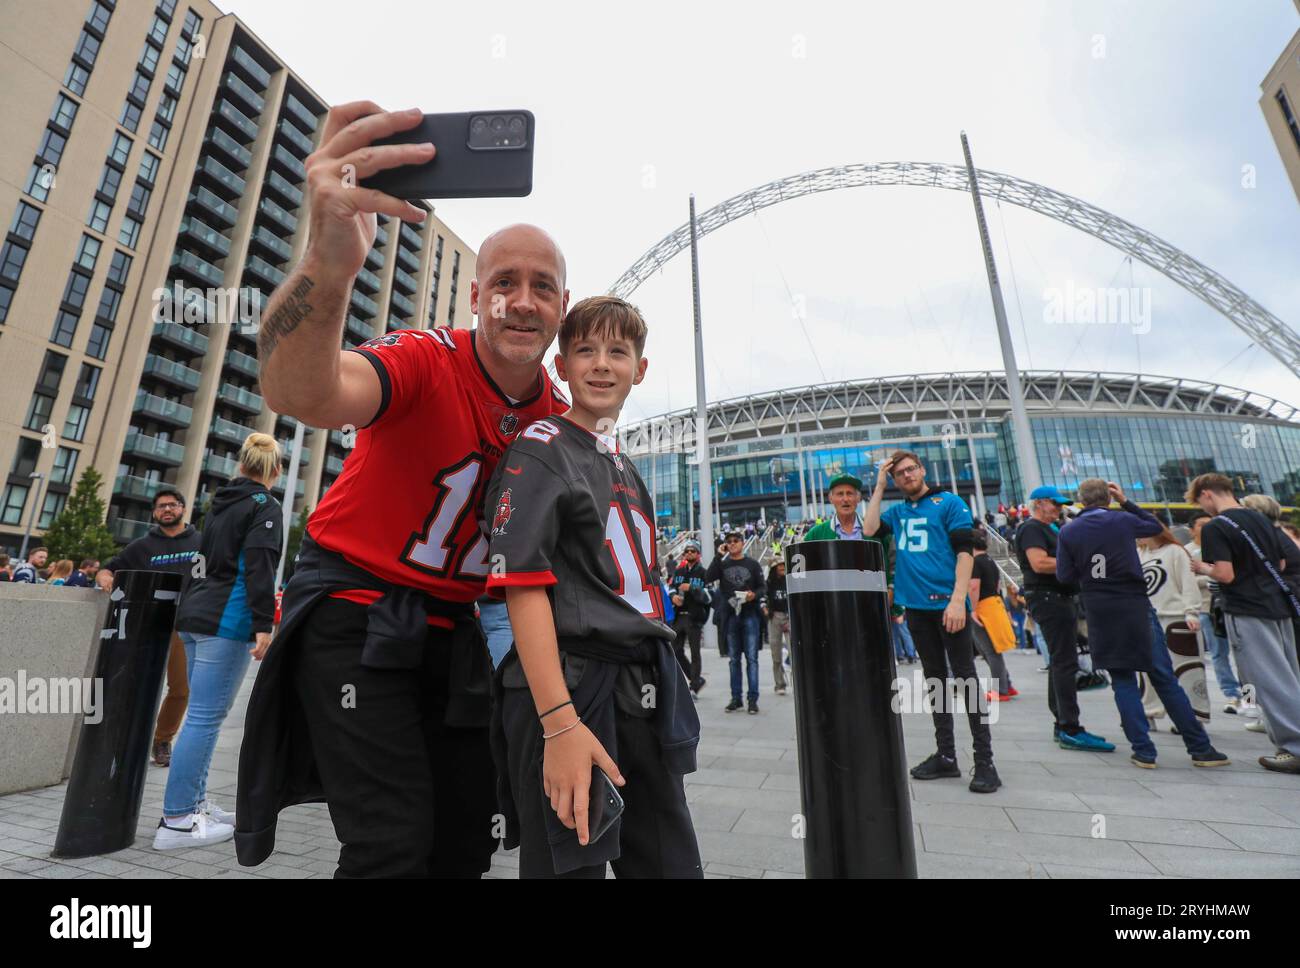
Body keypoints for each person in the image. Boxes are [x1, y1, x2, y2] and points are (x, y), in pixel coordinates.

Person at [236, 102, 573, 877]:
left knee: (466, 839)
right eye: (505, 282)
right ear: (475, 296)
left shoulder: (559, 419)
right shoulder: (424, 358)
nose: (523, 300)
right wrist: (330, 263)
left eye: (543, 288)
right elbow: (300, 391)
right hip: (356, 610)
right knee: (391, 839)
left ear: (561, 307)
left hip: (457, 632)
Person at [484, 295, 702, 877]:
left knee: (668, 861)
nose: (601, 364)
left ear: (641, 368)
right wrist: (558, 721)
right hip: (575, 684)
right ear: (561, 365)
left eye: (617, 351)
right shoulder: (542, 447)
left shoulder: (625, 465)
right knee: (570, 864)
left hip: (638, 682)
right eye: (585, 350)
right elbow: (522, 588)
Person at [154, 434, 284, 849]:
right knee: (205, 718)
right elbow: (260, 566)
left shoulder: (220, 502)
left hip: (196, 615)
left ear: (242, 465)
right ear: (274, 471)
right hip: (228, 617)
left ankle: (194, 804)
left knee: (200, 715)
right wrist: (264, 623)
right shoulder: (265, 506)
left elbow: (204, 559)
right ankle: (177, 820)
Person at [1056, 479, 1228, 769]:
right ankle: (1199, 748)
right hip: (1134, 603)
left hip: (1100, 609)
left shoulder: (1069, 531)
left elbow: (1064, 575)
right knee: (1162, 675)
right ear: (1108, 498)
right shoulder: (1122, 520)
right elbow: (1153, 527)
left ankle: (1144, 751)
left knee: (1123, 680)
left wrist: (1090, 574)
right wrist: (1125, 502)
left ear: (1081, 500)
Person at [864, 451, 1001, 794]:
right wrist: (879, 485)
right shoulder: (898, 511)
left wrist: (958, 600)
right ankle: (947, 755)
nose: (907, 475)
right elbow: (868, 529)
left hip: (947, 605)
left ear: (922, 470)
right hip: (917, 608)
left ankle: (984, 761)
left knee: (966, 679)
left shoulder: (949, 502)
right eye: (899, 473)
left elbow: (965, 553)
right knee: (935, 681)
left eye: (911, 469)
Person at [1188, 474, 1300, 773]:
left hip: (1246, 608)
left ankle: (1294, 747)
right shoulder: (1259, 518)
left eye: (1199, 501)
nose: (1203, 508)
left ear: (1207, 494)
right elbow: (1282, 563)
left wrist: (1202, 567)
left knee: (1268, 679)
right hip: (1278, 605)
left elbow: (1225, 575)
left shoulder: (1216, 527)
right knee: (1289, 674)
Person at [99, 488, 203, 766]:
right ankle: (125, 739)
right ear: (154, 513)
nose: (166, 510)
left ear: (183, 508)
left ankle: (162, 740)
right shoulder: (141, 547)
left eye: (172, 505)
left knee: (181, 688)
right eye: (160, 507)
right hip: (147, 625)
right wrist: (105, 578)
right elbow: (109, 568)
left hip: (185, 624)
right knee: (136, 684)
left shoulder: (201, 542)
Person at [1015, 486, 1114, 751]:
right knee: (1064, 662)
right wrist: (1077, 563)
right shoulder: (1032, 528)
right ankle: (1070, 726)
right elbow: (1038, 563)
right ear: (1039, 503)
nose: (1059, 509)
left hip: (1059, 598)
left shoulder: (1052, 528)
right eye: (1054, 504)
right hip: (1049, 598)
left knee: (1062, 661)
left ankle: (1063, 723)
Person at [1138, 525, 1207, 723]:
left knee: (1187, 669)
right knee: (1146, 669)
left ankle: (1194, 715)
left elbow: (1188, 582)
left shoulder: (1176, 551)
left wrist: (1191, 611)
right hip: (1149, 616)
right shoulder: (1138, 553)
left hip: (1176, 616)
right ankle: (1149, 711)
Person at [1186, 511, 1245, 715]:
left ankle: (1251, 700)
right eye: (1202, 525)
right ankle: (1232, 695)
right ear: (1191, 529)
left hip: (1232, 605)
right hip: (1205, 609)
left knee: (1244, 655)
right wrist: (1209, 578)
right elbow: (1184, 582)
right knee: (1219, 653)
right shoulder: (1186, 552)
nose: (1207, 528)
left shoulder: (1222, 546)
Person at [707, 532, 767, 714]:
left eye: (735, 541)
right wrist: (718, 554)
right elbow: (708, 577)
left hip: (750, 614)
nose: (732, 544)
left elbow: (763, 587)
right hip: (731, 615)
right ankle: (736, 698)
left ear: (742, 543)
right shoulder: (723, 564)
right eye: (729, 542)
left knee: (752, 658)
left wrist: (753, 595)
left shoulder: (753, 564)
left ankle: (752, 699)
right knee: (734, 660)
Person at [968, 532, 1018, 702]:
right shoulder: (990, 561)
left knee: (989, 650)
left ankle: (1001, 689)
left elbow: (974, 587)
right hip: (994, 604)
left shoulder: (975, 562)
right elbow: (997, 585)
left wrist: (972, 609)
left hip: (983, 607)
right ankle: (1007, 684)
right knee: (991, 649)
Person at [669, 541, 710, 695]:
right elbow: (671, 588)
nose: (690, 553)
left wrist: (692, 588)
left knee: (695, 652)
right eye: (687, 551)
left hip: (694, 617)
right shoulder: (679, 572)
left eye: (693, 551)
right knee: (675, 650)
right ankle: (695, 679)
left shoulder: (703, 573)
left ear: (698, 554)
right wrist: (673, 596)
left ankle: (694, 685)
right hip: (679, 615)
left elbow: (708, 595)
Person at [764, 559, 790, 694]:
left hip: (789, 617)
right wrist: (765, 609)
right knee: (776, 654)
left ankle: (796, 681)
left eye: (784, 565)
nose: (782, 567)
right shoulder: (769, 583)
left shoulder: (791, 581)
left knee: (794, 652)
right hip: (774, 617)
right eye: (779, 565)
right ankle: (780, 684)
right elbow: (762, 598)